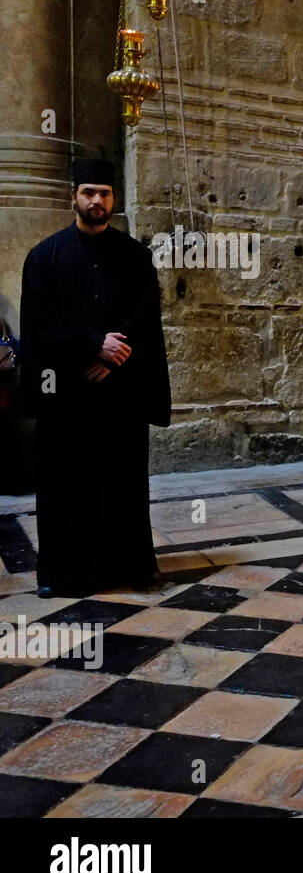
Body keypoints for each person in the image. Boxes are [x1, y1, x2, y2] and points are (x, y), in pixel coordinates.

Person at [18, 159, 171, 599]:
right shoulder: (44, 257)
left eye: (104, 193)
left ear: (113, 199)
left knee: (121, 482)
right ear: (74, 196)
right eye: (88, 192)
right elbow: (42, 321)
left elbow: (144, 318)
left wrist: (113, 355)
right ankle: (63, 574)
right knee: (66, 486)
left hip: (119, 392)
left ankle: (129, 566)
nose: (96, 201)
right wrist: (92, 345)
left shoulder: (136, 257)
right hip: (67, 393)